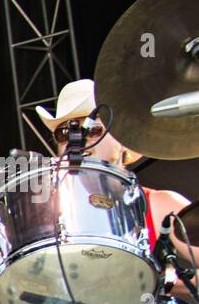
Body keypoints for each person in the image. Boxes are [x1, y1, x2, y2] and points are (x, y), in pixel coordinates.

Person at [38, 78, 195, 268]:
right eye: (64, 133)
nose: (78, 140)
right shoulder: (44, 217)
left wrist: (164, 281)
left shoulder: (159, 206)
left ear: (121, 139)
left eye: (93, 130)